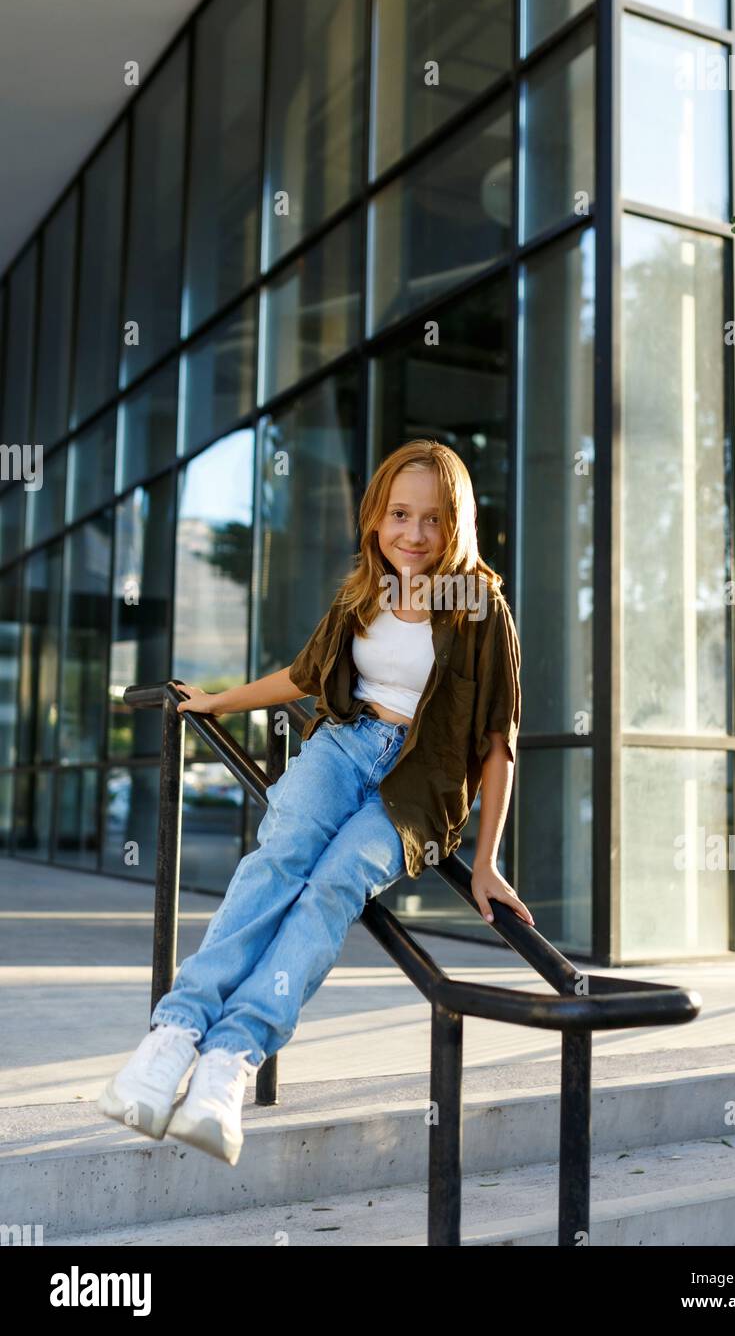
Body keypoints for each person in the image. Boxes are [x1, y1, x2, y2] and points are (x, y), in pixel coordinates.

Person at [97, 438, 532, 1167]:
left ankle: (230, 1061)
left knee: (331, 885)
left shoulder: (476, 603)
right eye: (399, 513)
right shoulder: (365, 590)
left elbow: (498, 741)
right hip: (342, 747)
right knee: (280, 859)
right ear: (376, 517)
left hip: (419, 787)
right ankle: (171, 1039)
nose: (414, 535)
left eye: (432, 519)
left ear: (456, 524)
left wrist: (485, 861)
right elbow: (305, 675)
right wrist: (218, 700)